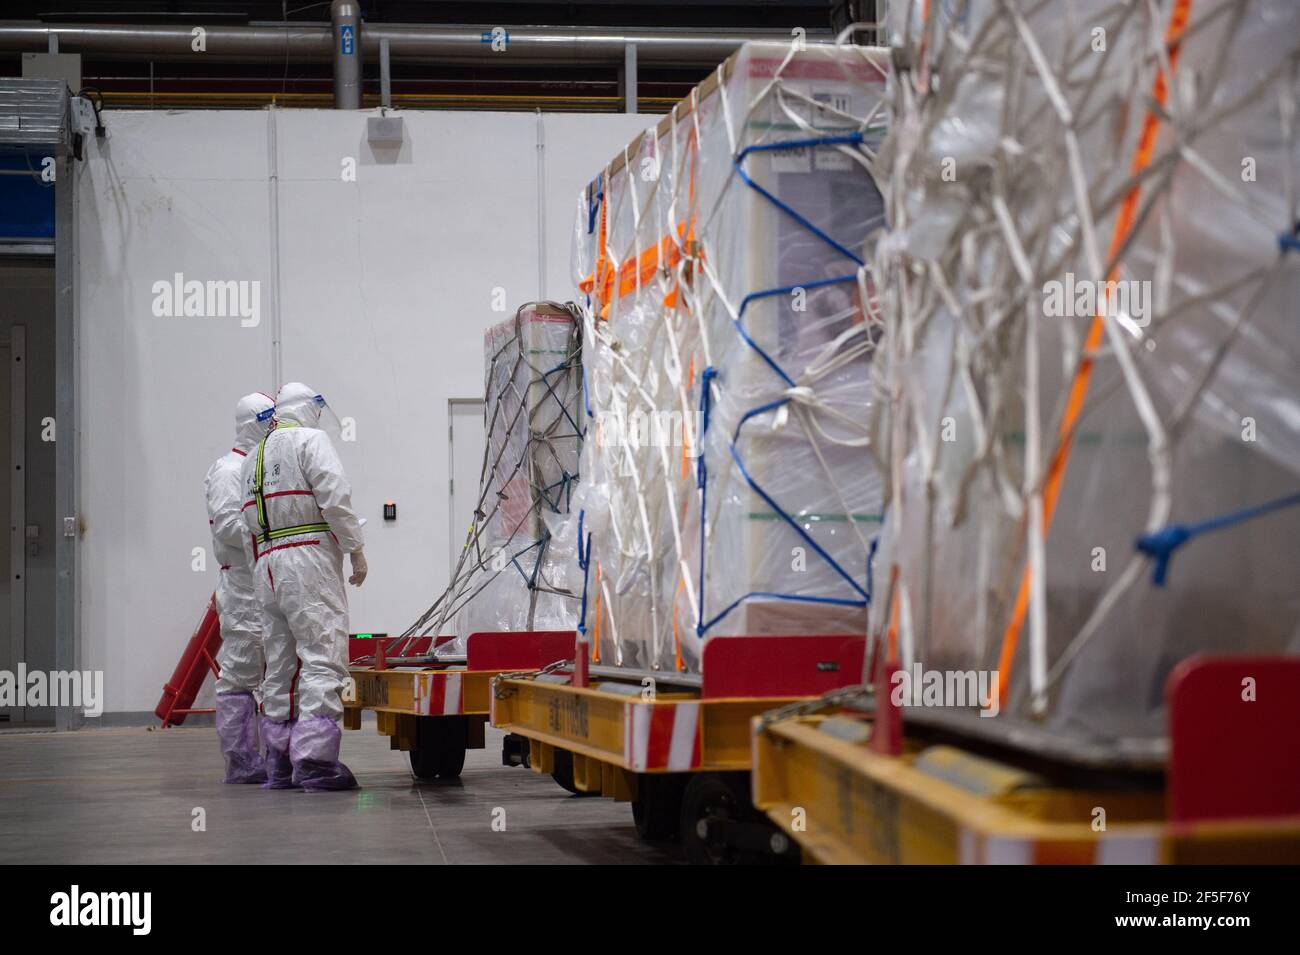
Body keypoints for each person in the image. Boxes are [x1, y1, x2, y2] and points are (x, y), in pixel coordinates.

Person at [241, 382, 367, 791]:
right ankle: (314, 761)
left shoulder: (254, 456)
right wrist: (355, 550)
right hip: (308, 559)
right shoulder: (312, 441)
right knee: (321, 655)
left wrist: (259, 567)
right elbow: (335, 497)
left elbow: (246, 525)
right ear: (308, 409)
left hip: (266, 564)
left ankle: (278, 760)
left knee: (280, 663)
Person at [206, 392, 276, 784]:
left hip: (262, 581)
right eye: (267, 421)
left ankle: (269, 756)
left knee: (270, 669)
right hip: (242, 585)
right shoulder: (229, 471)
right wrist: (271, 537)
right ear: (253, 422)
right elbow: (229, 525)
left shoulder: (257, 467)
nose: (273, 428)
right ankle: (241, 760)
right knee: (240, 672)